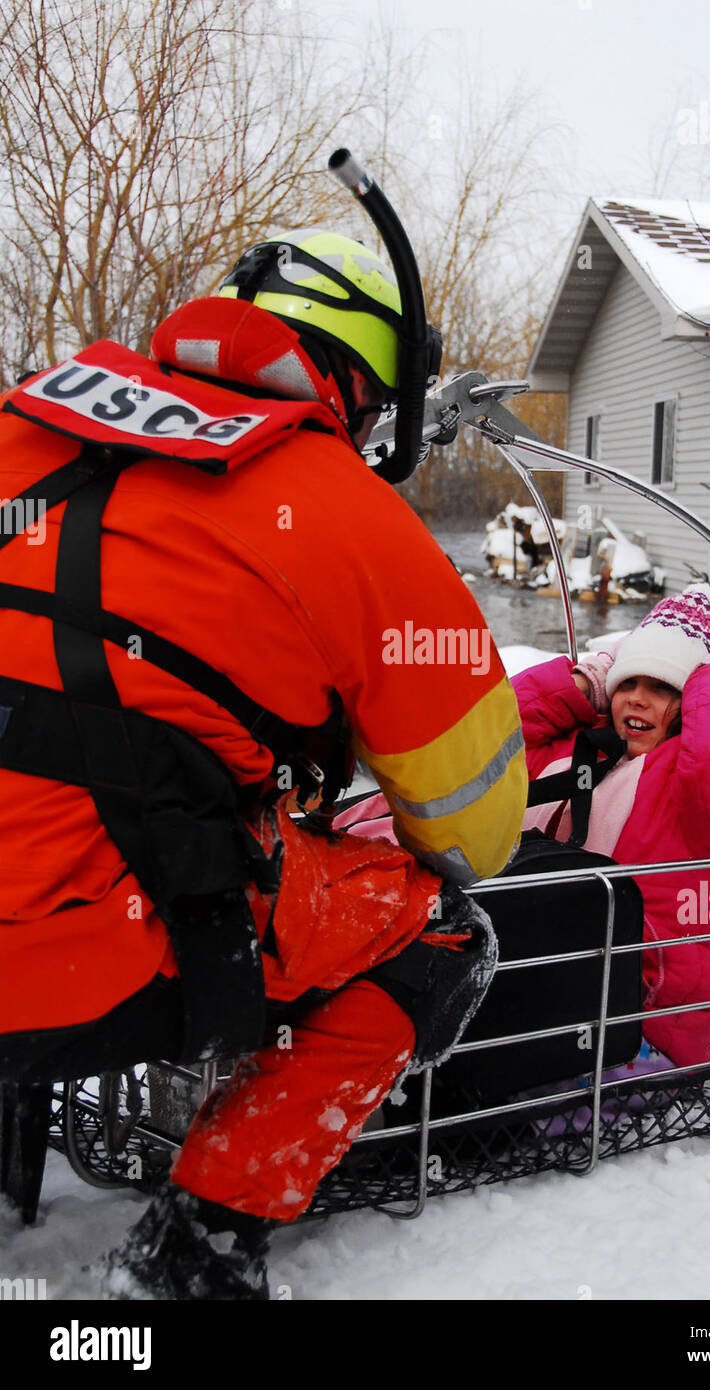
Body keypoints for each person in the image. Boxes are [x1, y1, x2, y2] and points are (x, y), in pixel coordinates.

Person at [0, 228, 527, 1298]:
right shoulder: (345, 507)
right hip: (79, 945)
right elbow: (477, 827)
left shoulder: (24, 415)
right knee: (437, 929)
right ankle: (195, 1249)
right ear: (364, 386)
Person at [511, 585, 710, 1071]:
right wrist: (586, 681)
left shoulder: (696, 785)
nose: (638, 701)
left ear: (693, 702)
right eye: (627, 684)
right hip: (546, 989)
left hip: (644, 1025)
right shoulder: (581, 750)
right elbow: (488, 731)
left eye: (662, 688)